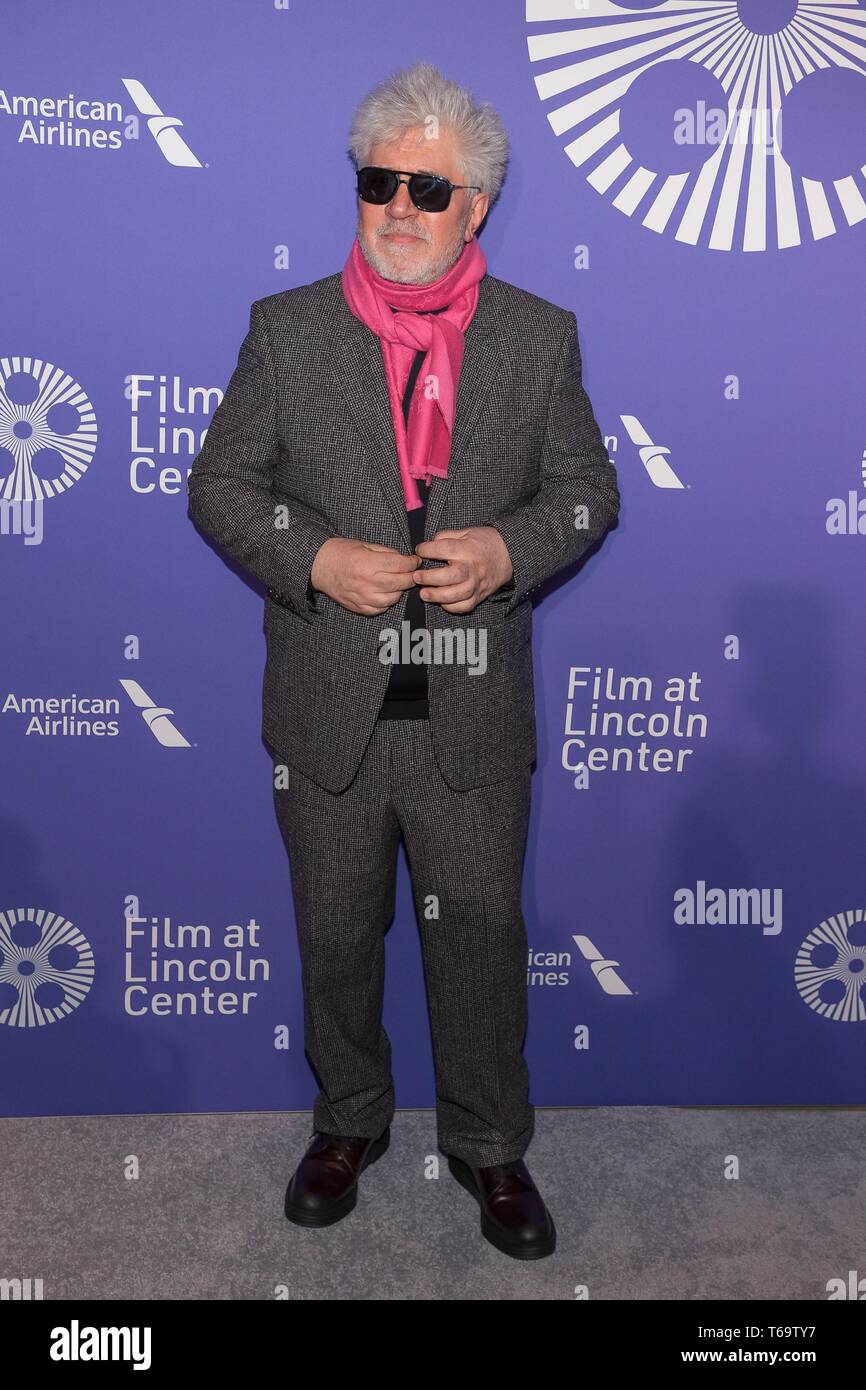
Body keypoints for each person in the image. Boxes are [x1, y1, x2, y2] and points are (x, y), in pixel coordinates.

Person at [187, 60, 619, 1261]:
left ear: (474, 206)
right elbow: (218, 485)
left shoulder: (539, 338)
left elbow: (588, 493)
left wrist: (508, 549)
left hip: (470, 718)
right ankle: (348, 1123)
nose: (398, 206)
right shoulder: (286, 331)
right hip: (329, 705)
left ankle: (490, 1145)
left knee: (479, 932)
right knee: (333, 932)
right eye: (379, 180)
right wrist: (316, 555)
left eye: (428, 188)